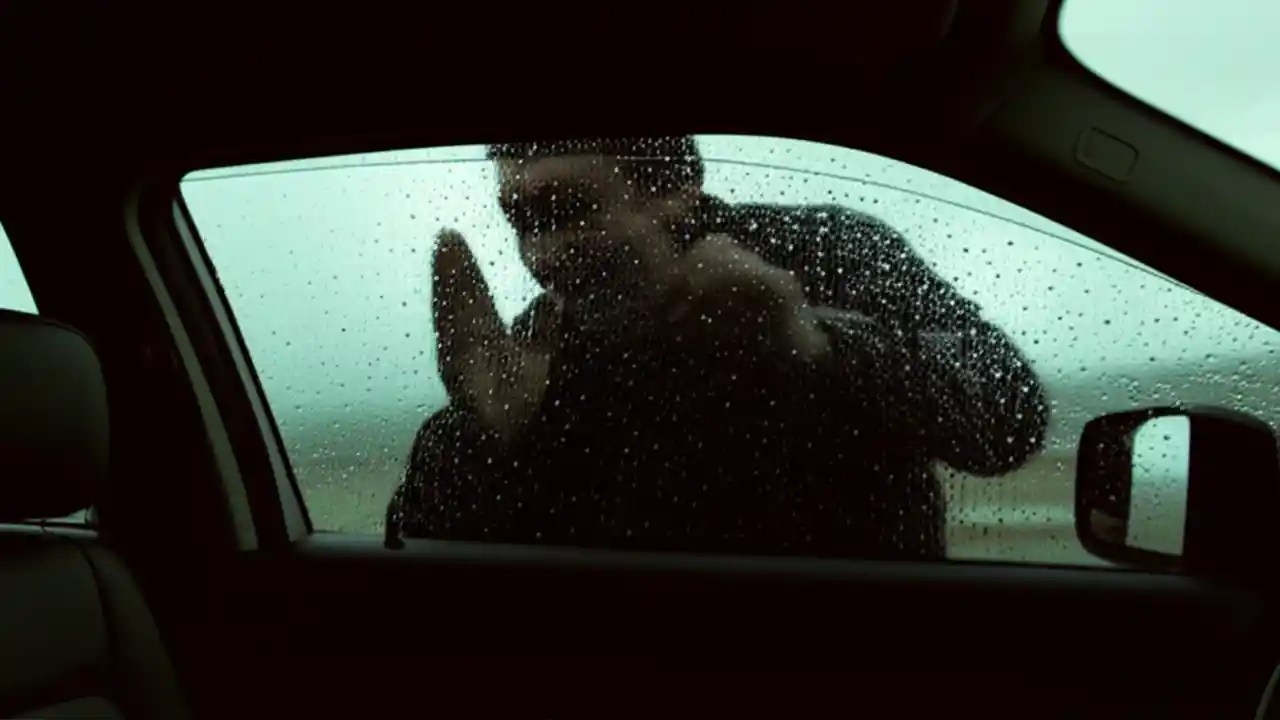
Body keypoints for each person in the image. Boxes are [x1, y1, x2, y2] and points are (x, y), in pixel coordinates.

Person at [385, 136, 1047, 558]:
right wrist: (490, 438)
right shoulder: (543, 339)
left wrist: (813, 342)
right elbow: (419, 550)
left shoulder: (825, 251)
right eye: (520, 221)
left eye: (568, 211)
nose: (541, 257)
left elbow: (1009, 414)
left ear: (677, 191)